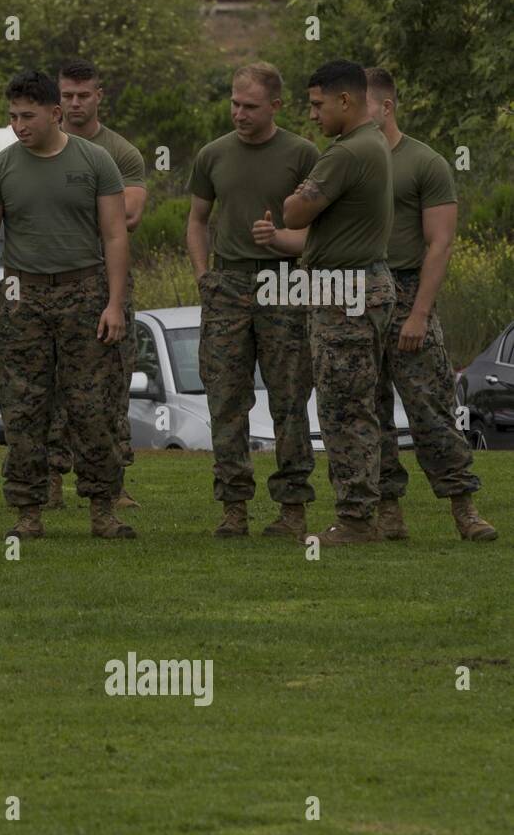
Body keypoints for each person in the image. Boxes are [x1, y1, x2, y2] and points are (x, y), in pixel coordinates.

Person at [0, 70, 132, 540]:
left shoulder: (96, 161)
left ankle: (104, 509)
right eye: (13, 117)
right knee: (23, 409)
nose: (19, 125)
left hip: (84, 291)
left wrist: (115, 303)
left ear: (55, 113)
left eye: (28, 116)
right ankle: (28, 512)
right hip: (23, 296)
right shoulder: (0, 168)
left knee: (93, 407)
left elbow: (115, 234)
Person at [186, 61, 320, 539]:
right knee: (225, 399)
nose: (239, 113)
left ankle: (292, 508)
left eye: (250, 106)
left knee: (288, 399)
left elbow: (318, 230)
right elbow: (197, 220)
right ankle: (234, 506)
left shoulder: (303, 154)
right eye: (234, 103)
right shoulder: (213, 155)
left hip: (284, 285)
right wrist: (204, 276)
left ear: (276, 107)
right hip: (227, 285)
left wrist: (282, 236)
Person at [364, 67, 496, 541]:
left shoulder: (424, 162)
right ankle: (387, 511)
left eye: (362, 106)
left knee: (431, 408)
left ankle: (464, 508)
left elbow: (439, 244)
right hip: (356, 294)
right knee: (368, 411)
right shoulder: (346, 160)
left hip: (404, 292)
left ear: (386, 106)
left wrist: (419, 312)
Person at [281, 60, 395, 546]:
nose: (312, 115)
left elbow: (294, 211)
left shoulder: (348, 152)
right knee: (354, 404)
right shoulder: (370, 145)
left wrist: (296, 197)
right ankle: (363, 511)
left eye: (317, 104)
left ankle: (355, 519)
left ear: (344, 101)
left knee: (344, 408)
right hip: (351, 289)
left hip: (346, 293)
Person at [48, 58, 146, 510]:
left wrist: (66, 209)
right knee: (48, 386)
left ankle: (113, 480)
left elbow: (126, 216)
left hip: (106, 283)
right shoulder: (42, 146)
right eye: (67, 95)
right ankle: (48, 479)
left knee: (110, 384)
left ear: (99, 95)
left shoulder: (120, 153)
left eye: (83, 95)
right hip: (51, 282)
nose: (74, 103)